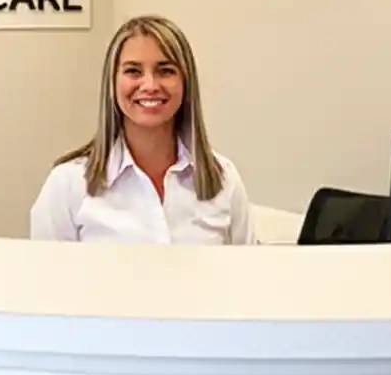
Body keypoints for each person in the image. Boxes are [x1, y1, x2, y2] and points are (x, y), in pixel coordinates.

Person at [30, 15, 254, 245]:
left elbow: (249, 276)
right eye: (133, 71)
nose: (150, 86)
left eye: (165, 71)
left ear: (186, 82)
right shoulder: (68, 184)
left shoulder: (225, 179)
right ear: (113, 81)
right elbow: (46, 279)